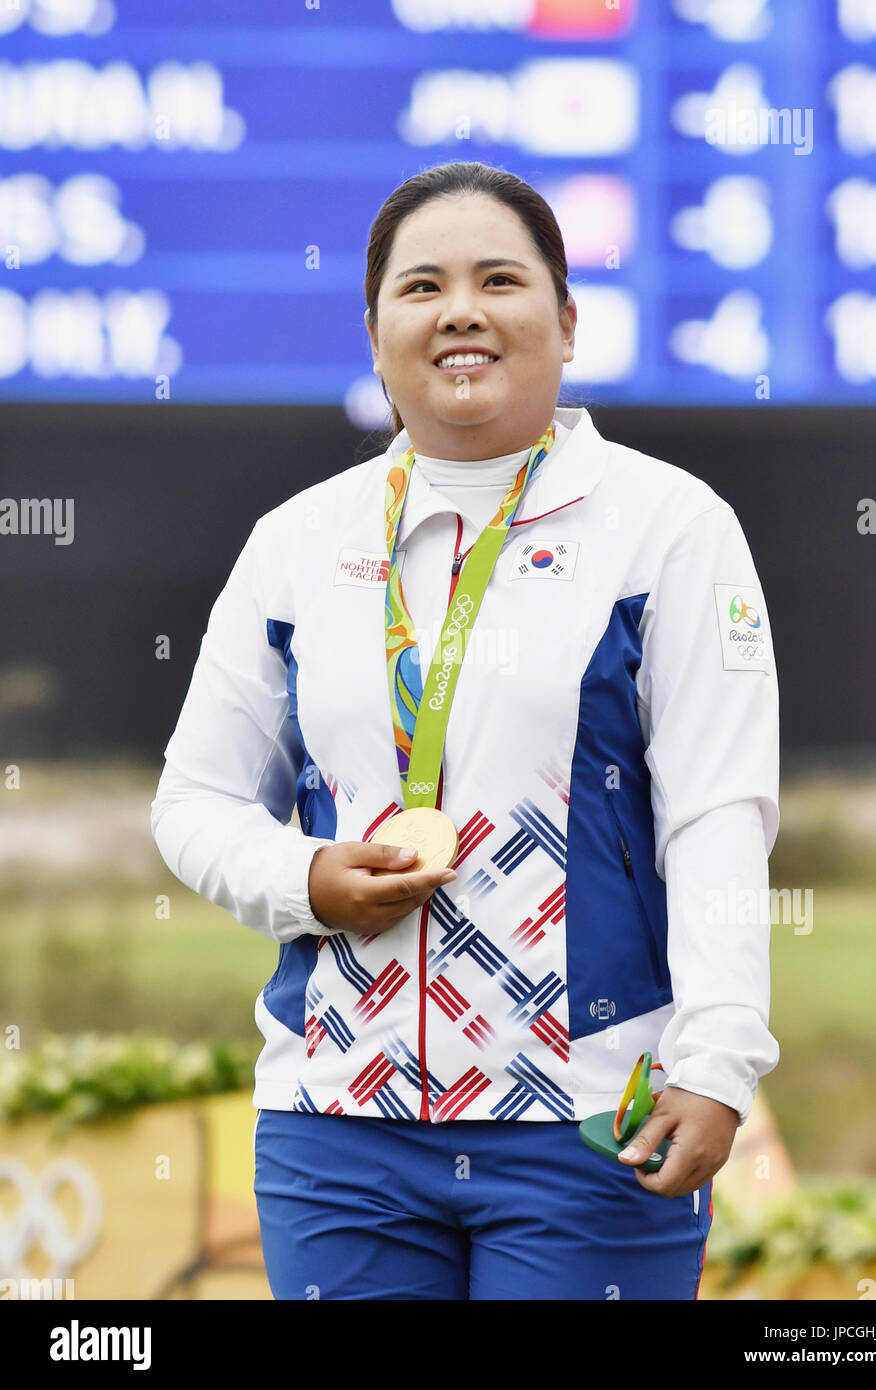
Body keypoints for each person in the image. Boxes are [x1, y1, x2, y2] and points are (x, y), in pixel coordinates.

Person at [150, 160, 780, 1301]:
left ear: (567, 319)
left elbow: (716, 815)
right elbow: (192, 800)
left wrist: (718, 1059)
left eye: (499, 279)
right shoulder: (295, 541)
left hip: (590, 1114)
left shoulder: (671, 527)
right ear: (375, 327)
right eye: (421, 286)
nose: (461, 312)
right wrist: (305, 876)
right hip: (335, 1124)